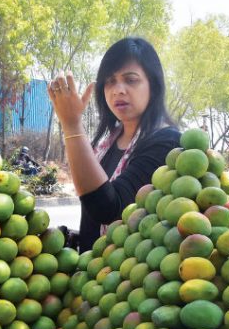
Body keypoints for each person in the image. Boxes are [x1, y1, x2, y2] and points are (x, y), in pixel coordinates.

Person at [48, 37, 181, 252]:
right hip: (93, 275)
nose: (118, 90)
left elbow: (109, 210)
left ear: (153, 86)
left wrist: (71, 125)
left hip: (128, 280)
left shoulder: (167, 143)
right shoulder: (105, 144)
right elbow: (93, 216)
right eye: (110, 81)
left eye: (131, 79)